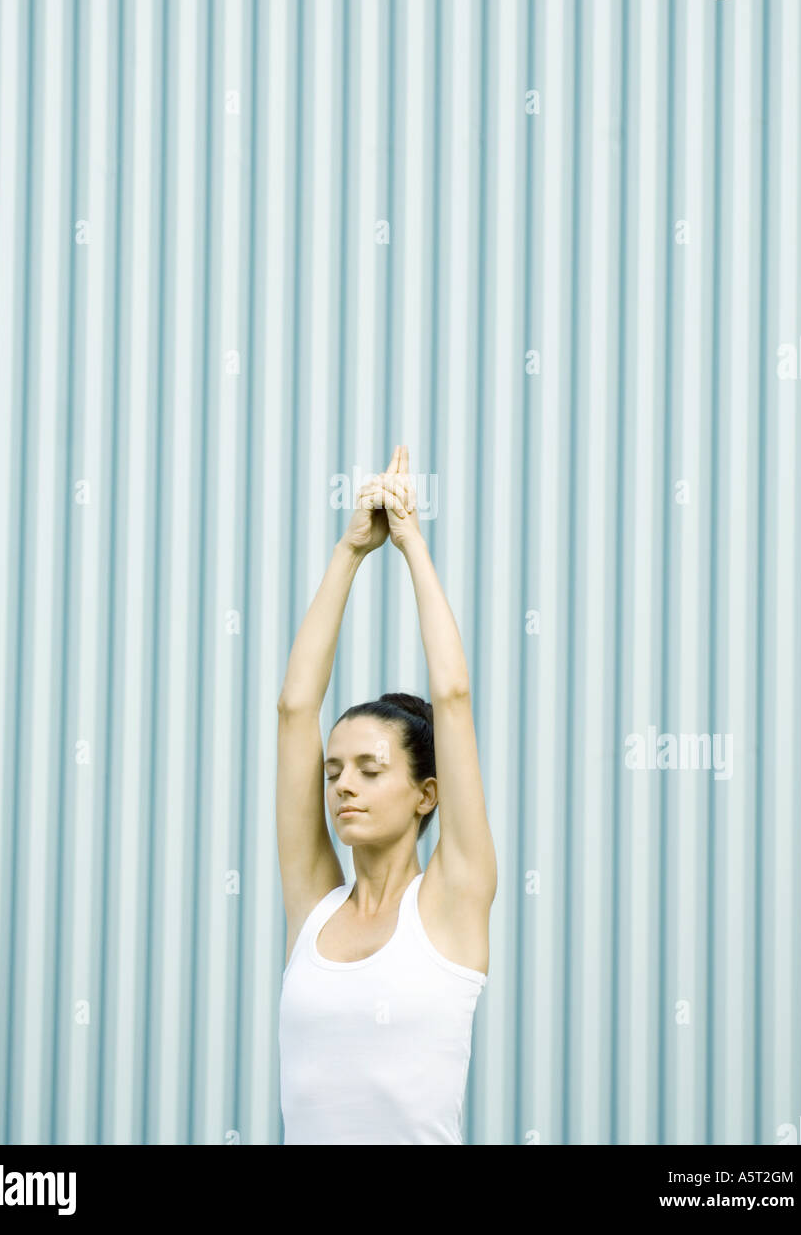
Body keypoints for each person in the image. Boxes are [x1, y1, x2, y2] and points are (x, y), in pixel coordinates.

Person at [276, 444, 497, 1144]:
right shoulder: (315, 906)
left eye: (370, 770)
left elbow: (453, 698)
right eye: (335, 771)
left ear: (426, 793)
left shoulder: (453, 899)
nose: (343, 784)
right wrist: (348, 551)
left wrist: (410, 548)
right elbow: (292, 709)